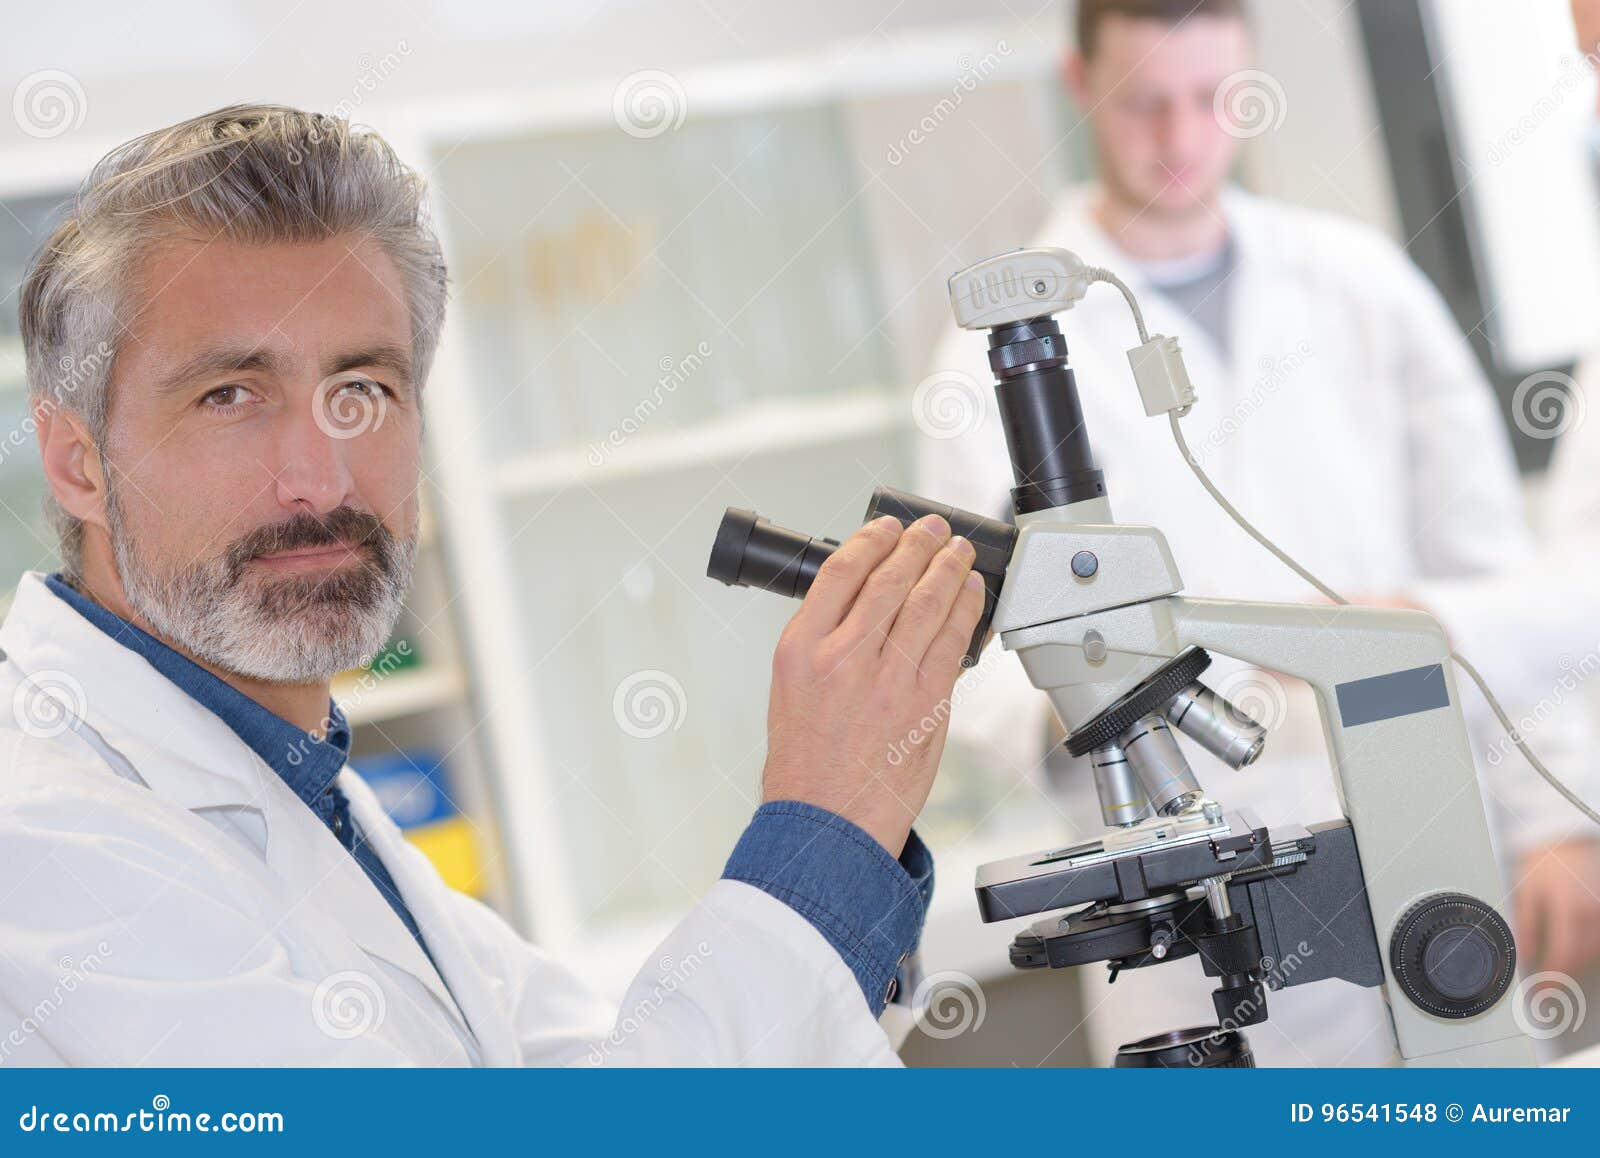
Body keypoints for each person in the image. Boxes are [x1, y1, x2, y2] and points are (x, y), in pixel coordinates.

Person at [0, 105, 989, 1066]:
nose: (323, 477)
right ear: (78, 461)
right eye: (231, 397)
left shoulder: (299, 786)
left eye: (362, 391)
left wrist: (844, 813)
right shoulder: (39, 838)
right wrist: (825, 825)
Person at [918, 0, 1600, 1065]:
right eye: (1144, 102)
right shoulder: (993, 363)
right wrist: (1090, 715)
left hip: (1428, 825)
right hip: (1176, 886)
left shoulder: (1360, 284)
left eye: (1209, 99)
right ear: (1079, 82)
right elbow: (980, 657)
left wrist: (1551, 814)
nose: (1180, 139)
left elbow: (1489, 581)